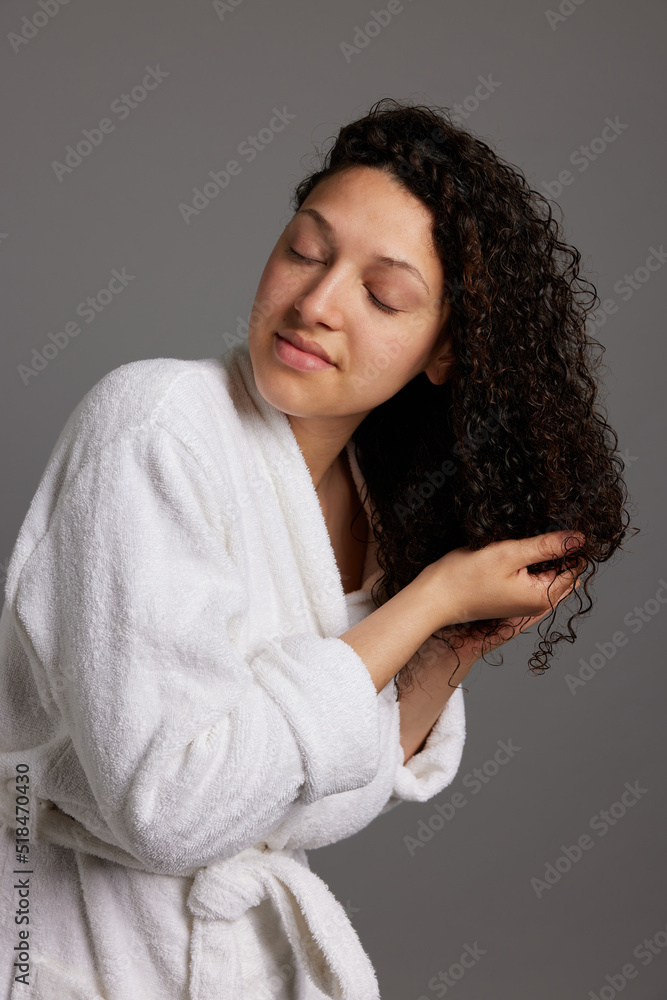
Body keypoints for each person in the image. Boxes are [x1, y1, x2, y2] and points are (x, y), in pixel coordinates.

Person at [0, 98, 632, 999]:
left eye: (382, 294)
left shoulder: (370, 500)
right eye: (305, 250)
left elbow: (301, 795)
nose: (316, 303)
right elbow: (170, 811)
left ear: (443, 349)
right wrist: (430, 604)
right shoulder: (153, 428)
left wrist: (450, 648)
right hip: (54, 945)